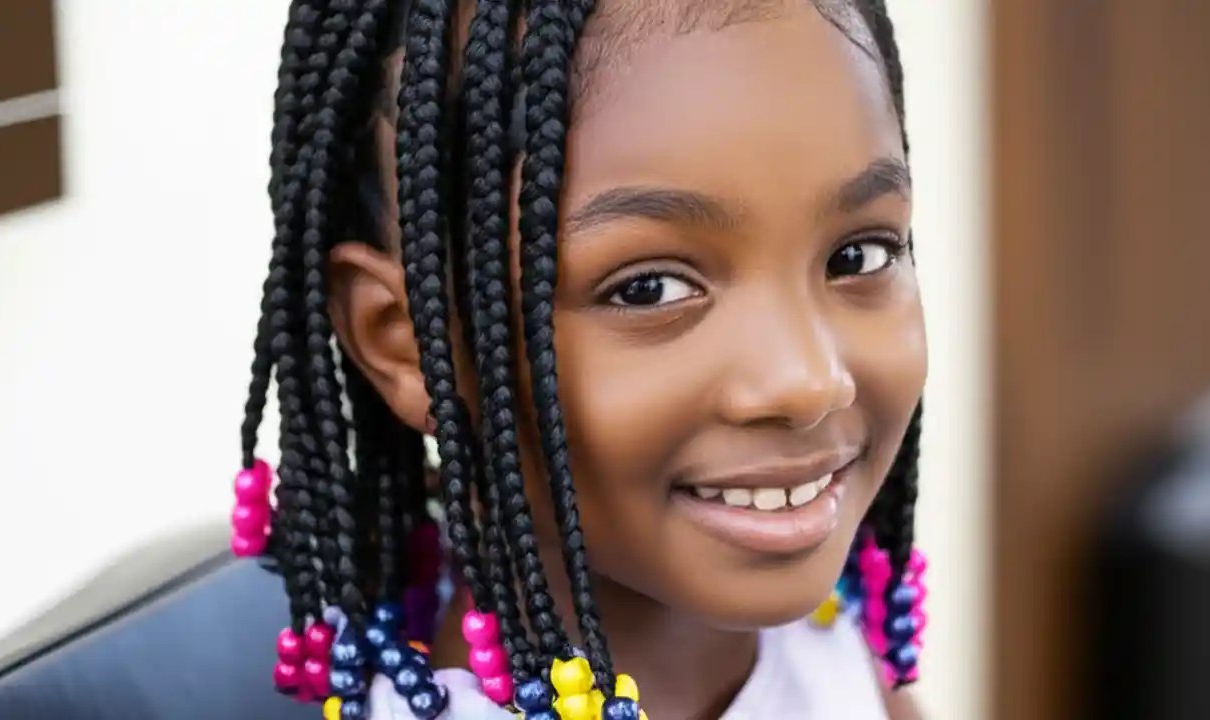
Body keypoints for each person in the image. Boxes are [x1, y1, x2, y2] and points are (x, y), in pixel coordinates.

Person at [231, 0, 927, 717]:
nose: (810, 382)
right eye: (649, 288)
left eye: (859, 254)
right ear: (403, 341)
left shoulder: (829, 651)